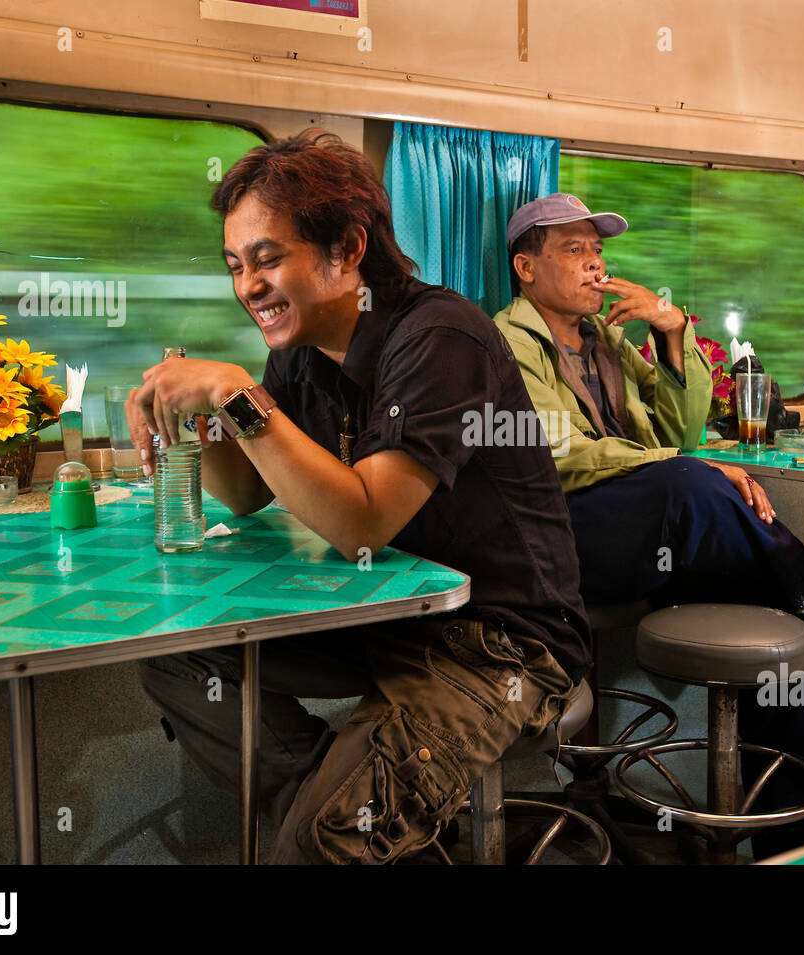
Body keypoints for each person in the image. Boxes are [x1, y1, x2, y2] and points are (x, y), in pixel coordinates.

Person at [127, 131, 592, 865]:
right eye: (235, 266)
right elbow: (247, 490)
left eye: (266, 258)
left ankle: (337, 828)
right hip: (382, 616)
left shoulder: (440, 336)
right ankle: (347, 821)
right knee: (181, 655)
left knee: (319, 840)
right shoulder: (299, 355)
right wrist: (193, 421)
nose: (247, 285)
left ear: (346, 250)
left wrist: (234, 393)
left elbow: (363, 519)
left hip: (496, 642)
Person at [493, 193, 804, 854]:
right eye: (575, 251)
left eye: (599, 251)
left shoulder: (608, 341)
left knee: (771, 607)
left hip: (647, 524)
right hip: (567, 536)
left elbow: (682, 427)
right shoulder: (507, 341)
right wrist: (687, 466)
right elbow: (558, 453)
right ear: (526, 268)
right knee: (689, 482)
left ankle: (802, 821)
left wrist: (672, 334)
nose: (596, 266)